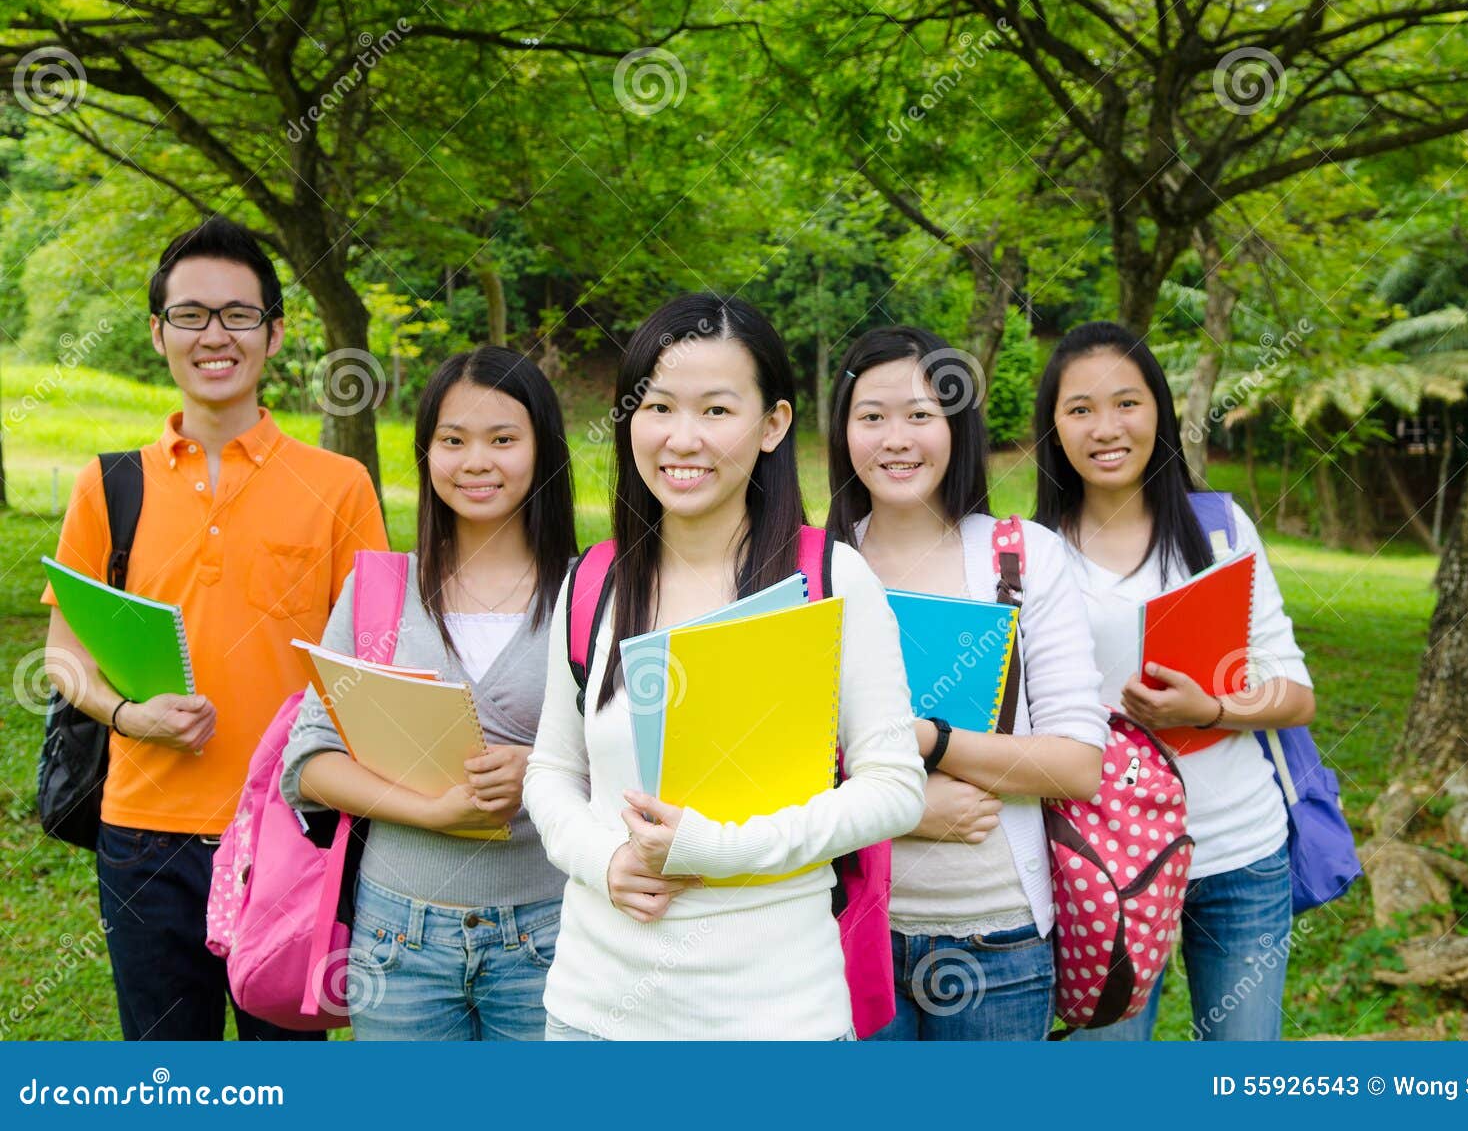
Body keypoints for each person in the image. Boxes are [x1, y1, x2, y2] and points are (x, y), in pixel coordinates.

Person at [525, 293, 925, 1040]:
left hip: (778, 1022)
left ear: (773, 425)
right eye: (658, 407)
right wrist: (605, 859)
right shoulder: (592, 583)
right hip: (593, 1017)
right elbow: (551, 769)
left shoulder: (831, 580)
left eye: (716, 410)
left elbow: (895, 788)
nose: (683, 439)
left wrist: (721, 849)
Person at [42, 216, 387, 1040]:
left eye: (238, 314)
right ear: (158, 332)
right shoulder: (108, 486)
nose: (214, 335)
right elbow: (64, 654)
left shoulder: (340, 485)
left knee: (286, 1074)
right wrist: (129, 716)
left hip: (289, 830)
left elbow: (371, 661)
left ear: (275, 333)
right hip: (143, 837)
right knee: (167, 1077)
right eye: (191, 315)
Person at [281, 346, 577, 1040]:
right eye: (453, 440)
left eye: (502, 439)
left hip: (553, 929)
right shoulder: (379, 591)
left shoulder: (592, 590)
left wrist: (540, 770)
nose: (476, 462)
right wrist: (431, 810)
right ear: (426, 452)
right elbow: (309, 763)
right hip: (396, 941)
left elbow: (637, 762)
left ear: (542, 449)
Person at [1036, 321, 1315, 1042]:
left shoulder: (1217, 528)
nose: (1106, 428)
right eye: (1080, 409)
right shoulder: (1031, 553)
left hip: (1241, 851)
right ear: (1054, 427)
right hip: (1105, 870)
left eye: (1127, 403)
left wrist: (1211, 707)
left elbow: (1296, 693)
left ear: (1159, 410)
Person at [826, 326, 1106, 1040]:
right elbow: (778, 767)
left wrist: (931, 741)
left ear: (957, 427)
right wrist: (905, 809)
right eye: (872, 416)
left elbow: (1078, 764)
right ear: (843, 431)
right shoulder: (815, 569)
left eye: (921, 415)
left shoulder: (1024, 556)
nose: (896, 439)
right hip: (849, 932)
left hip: (998, 941)